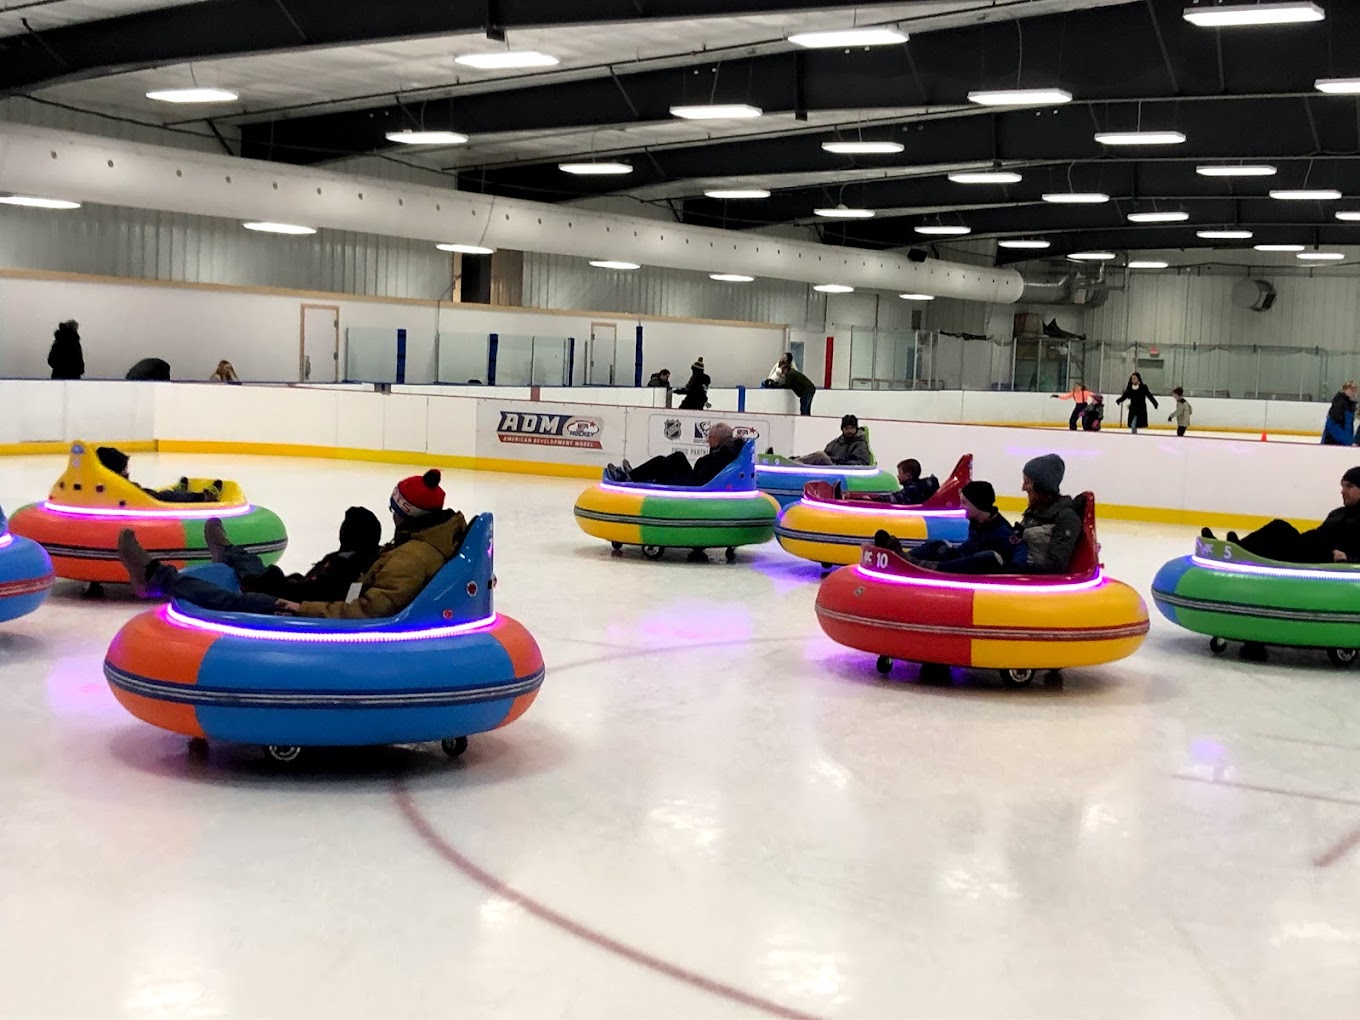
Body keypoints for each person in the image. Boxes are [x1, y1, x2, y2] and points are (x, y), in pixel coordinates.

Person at [121, 471, 467, 619]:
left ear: (404, 513)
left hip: (319, 614)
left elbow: (370, 611)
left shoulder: (411, 556)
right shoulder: (418, 544)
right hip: (326, 597)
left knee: (236, 600)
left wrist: (303, 609)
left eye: (395, 508)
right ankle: (228, 554)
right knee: (264, 575)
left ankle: (155, 577)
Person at [117, 507, 382, 613]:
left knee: (230, 599)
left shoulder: (352, 564)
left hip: (299, 609)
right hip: (301, 597)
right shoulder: (357, 557)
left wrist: (286, 591)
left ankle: (155, 576)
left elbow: (322, 595)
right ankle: (229, 552)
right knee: (260, 571)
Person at [1203, 468, 1360, 564]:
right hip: (1311, 550)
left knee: (1305, 540)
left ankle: (1239, 553)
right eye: (1342, 486)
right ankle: (1235, 549)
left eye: (1349, 487)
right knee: (1280, 527)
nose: (1343, 491)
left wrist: (1347, 557)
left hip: (1326, 559)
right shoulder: (1338, 513)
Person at [874, 481, 1014, 574]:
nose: (961, 507)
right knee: (938, 545)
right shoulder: (977, 522)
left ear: (977, 504)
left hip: (981, 567)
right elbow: (969, 546)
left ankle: (928, 566)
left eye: (964, 503)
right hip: (965, 559)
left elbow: (994, 560)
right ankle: (903, 557)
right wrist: (950, 552)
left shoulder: (1002, 531)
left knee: (984, 557)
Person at [605, 422, 743, 487]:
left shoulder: (720, 456)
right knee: (679, 456)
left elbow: (705, 471)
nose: (707, 440)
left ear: (718, 440)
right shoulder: (725, 451)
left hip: (696, 486)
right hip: (697, 479)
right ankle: (636, 473)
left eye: (710, 438)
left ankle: (628, 478)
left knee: (661, 462)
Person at [96, 446, 224, 504]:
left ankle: (180, 492)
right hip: (143, 501)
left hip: (139, 496)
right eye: (125, 468)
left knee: (161, 494)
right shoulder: (119, 487)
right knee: (164, 497)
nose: (128, 471)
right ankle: (202, 497)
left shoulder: (108, 484)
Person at [793, 415, 871, 466]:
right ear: (842, 429)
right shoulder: (836, 443)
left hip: (843, 470)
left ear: (856, 429)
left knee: (820, 455)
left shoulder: (860, 444)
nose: (849, 431)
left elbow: (862, 463)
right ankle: (797, 461)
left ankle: (796, 463)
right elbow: (826, 455)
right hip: (833, 468)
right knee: (819, 457)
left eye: (852, 428)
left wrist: (841, 462)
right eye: (846, 428)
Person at [1323, 381, 1357, 446]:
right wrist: (1346, 441)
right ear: (1346, 390)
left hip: (1343, 441)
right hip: (1333, 442)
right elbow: (1332, 425)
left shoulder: (1350, 404)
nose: (1354, 392)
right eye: (1351, 390)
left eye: (1354, 390)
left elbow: (1349, 426)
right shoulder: (1339, 403)